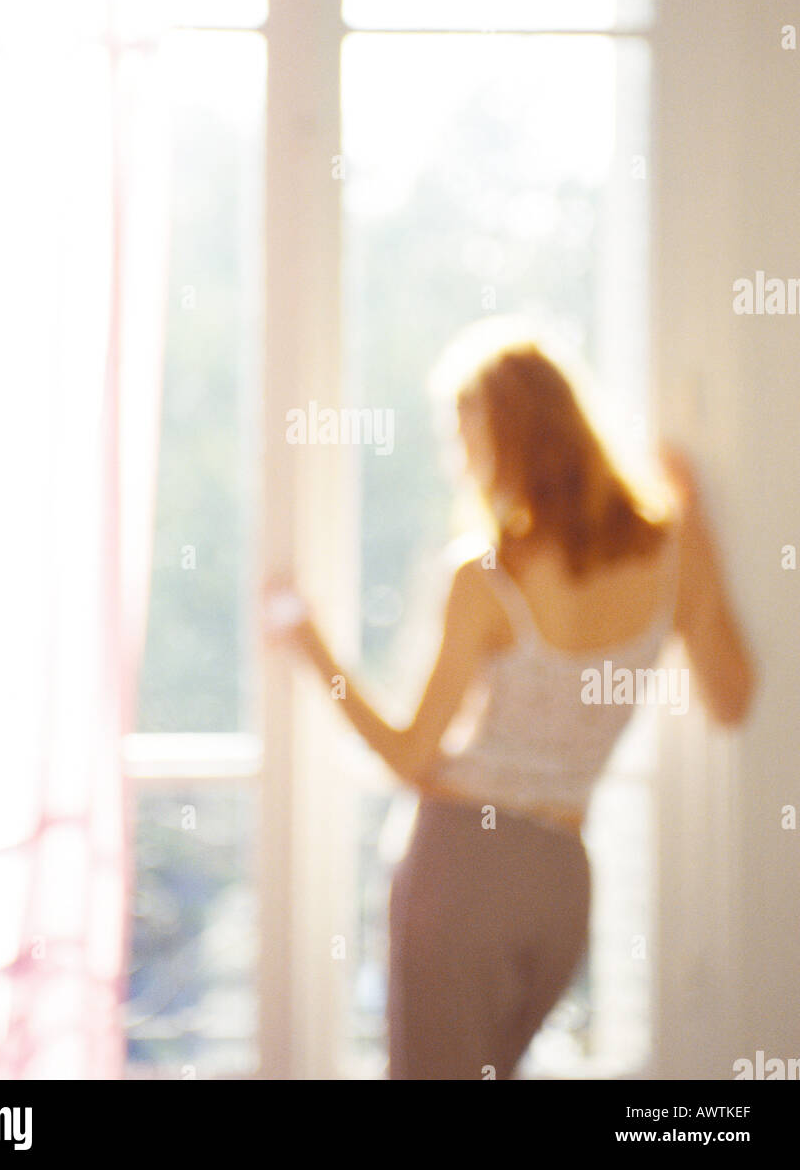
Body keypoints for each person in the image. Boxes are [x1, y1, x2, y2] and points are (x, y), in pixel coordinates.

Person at [263, 317, 755, 1081]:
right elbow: (731, 700)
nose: (459, 462)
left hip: (462, 866)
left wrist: (311, 646)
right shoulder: (675, 554)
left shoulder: (487, 577)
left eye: (464, 437)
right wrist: (702, 535)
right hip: (560, 880)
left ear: (504, 440)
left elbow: (407, 754)